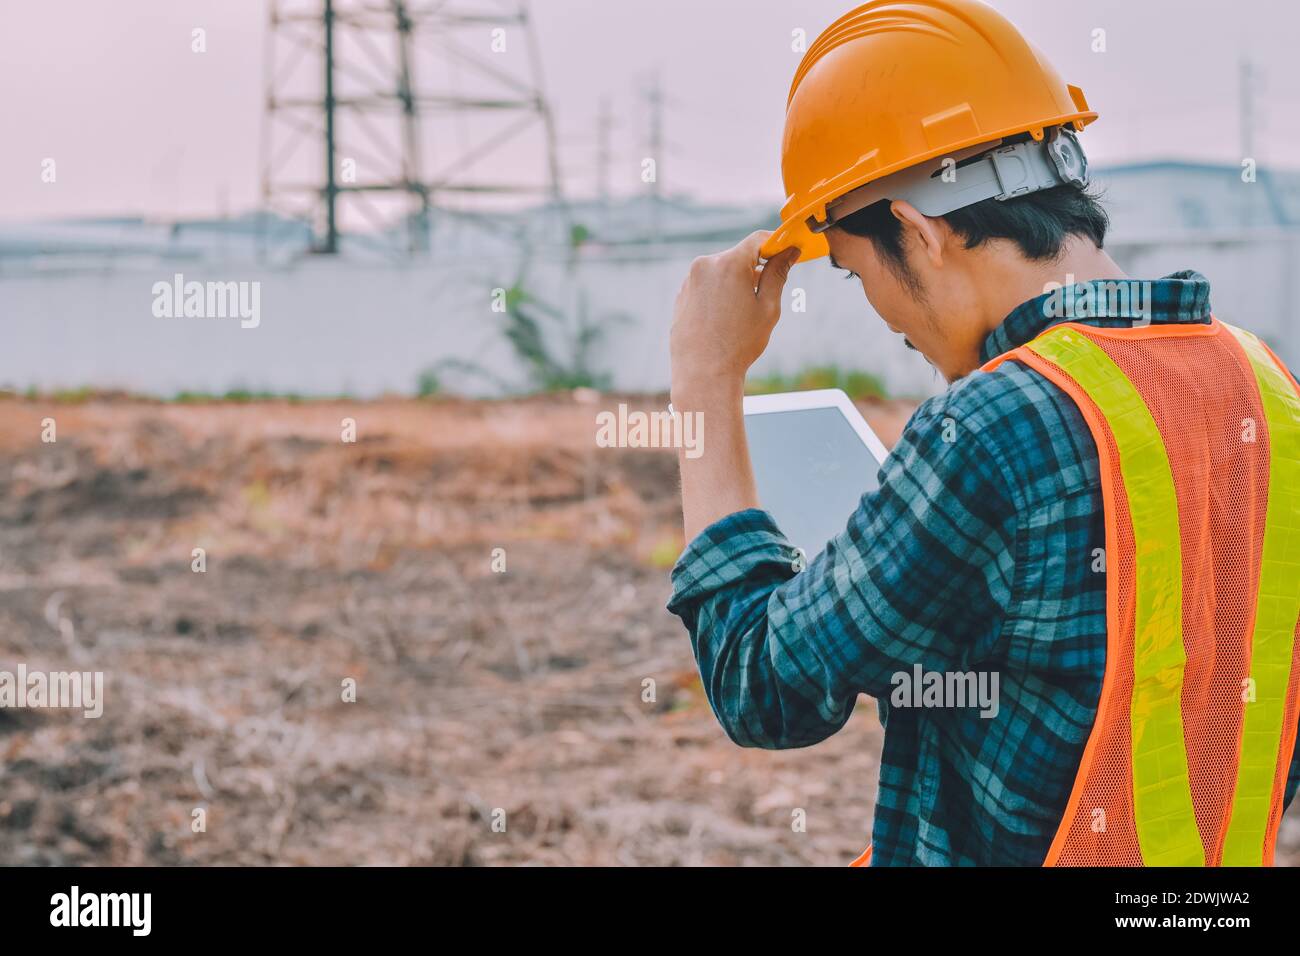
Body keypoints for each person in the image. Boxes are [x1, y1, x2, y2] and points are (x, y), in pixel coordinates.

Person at [666, 0, 1300, 866]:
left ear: (920, 234)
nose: (885, 320)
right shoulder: (1272, 392)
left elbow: (762, 685)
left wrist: (705, 382)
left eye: (854, 275)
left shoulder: (996, 428)